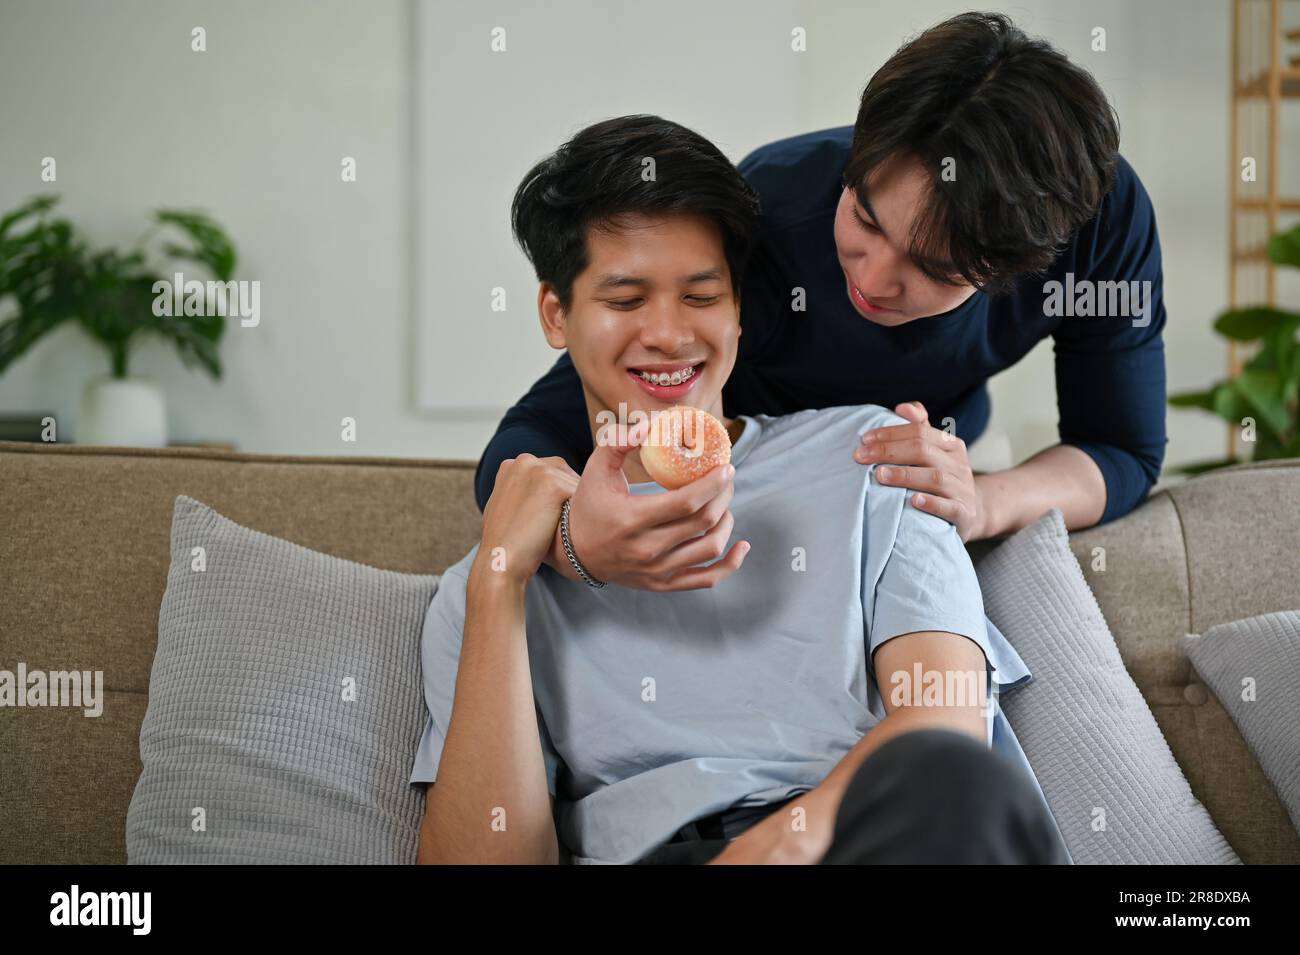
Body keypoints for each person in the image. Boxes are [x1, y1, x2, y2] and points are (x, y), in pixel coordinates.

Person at [410, 114, 1067, 865]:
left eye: (700, 295)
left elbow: (945, 719)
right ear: (557, 315)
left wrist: (777, 849)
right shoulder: (498, 575)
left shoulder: (871, 459)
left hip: (860, 837)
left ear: (739, 310)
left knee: (966, 788)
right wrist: (501, 581)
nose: (667, 333)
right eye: (625, 301)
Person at [473, 11, 1167, 598]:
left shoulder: (1102, 224)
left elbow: (1121, 449)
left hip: (933, 456)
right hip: (755, 470)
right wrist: (574, 544)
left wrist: (986, 500)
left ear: (1021, 264)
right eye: (865, 217)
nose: (874, 277)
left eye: (932, 268)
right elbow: (538, 430)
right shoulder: (773, 212)